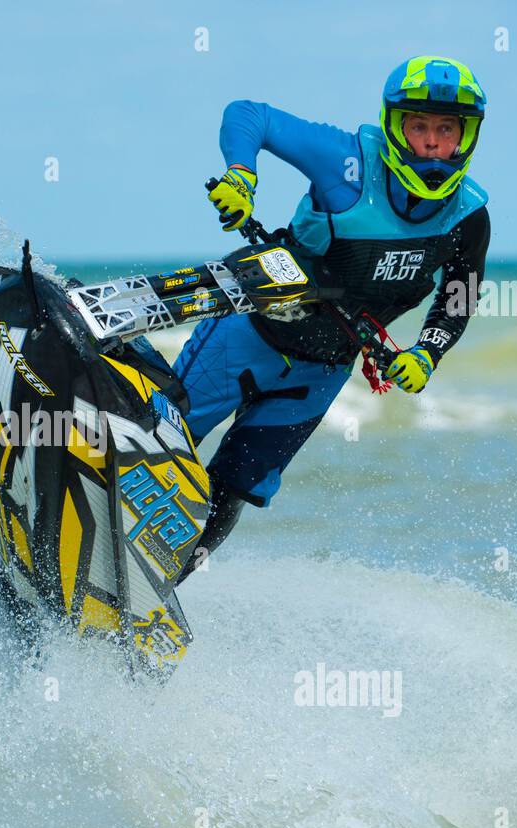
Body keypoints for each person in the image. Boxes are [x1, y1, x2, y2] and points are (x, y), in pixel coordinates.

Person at [175, 55, 491, 582]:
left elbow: (458, 296)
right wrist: (241, 176)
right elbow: (249, 113)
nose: (432, 142)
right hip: (248, 335)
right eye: (419, 126)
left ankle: (154, 595)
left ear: (466, 136)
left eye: (446, 128)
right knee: (161, 443)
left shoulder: (469, 215)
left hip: (320, 375)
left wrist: (427, 352)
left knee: (235, 488)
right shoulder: (344, 163)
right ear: (396, 126)